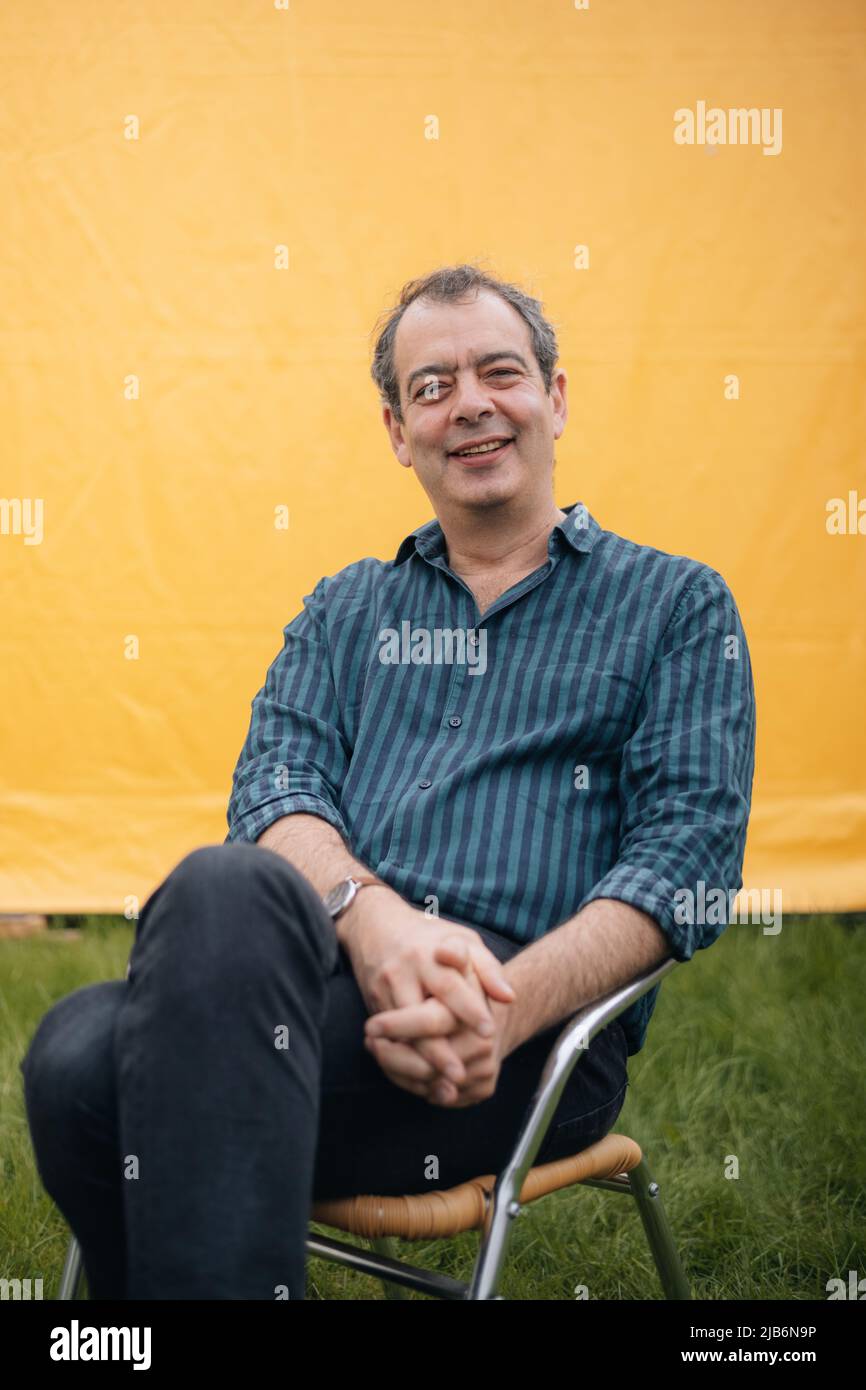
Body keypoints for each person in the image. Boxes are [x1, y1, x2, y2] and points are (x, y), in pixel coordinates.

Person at [21, 263, 756, 1300]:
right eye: (430, 386)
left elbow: (687, 859)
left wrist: (506, 1007)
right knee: (216, 895)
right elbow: (273, 793)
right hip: (315, 973)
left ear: (553, 396)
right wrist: (381, 927)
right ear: (396, 429)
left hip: (518, 1035)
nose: (468, 403)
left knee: (79, 1064)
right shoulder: (344, 608)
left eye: (498, 371)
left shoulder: (674, 605)